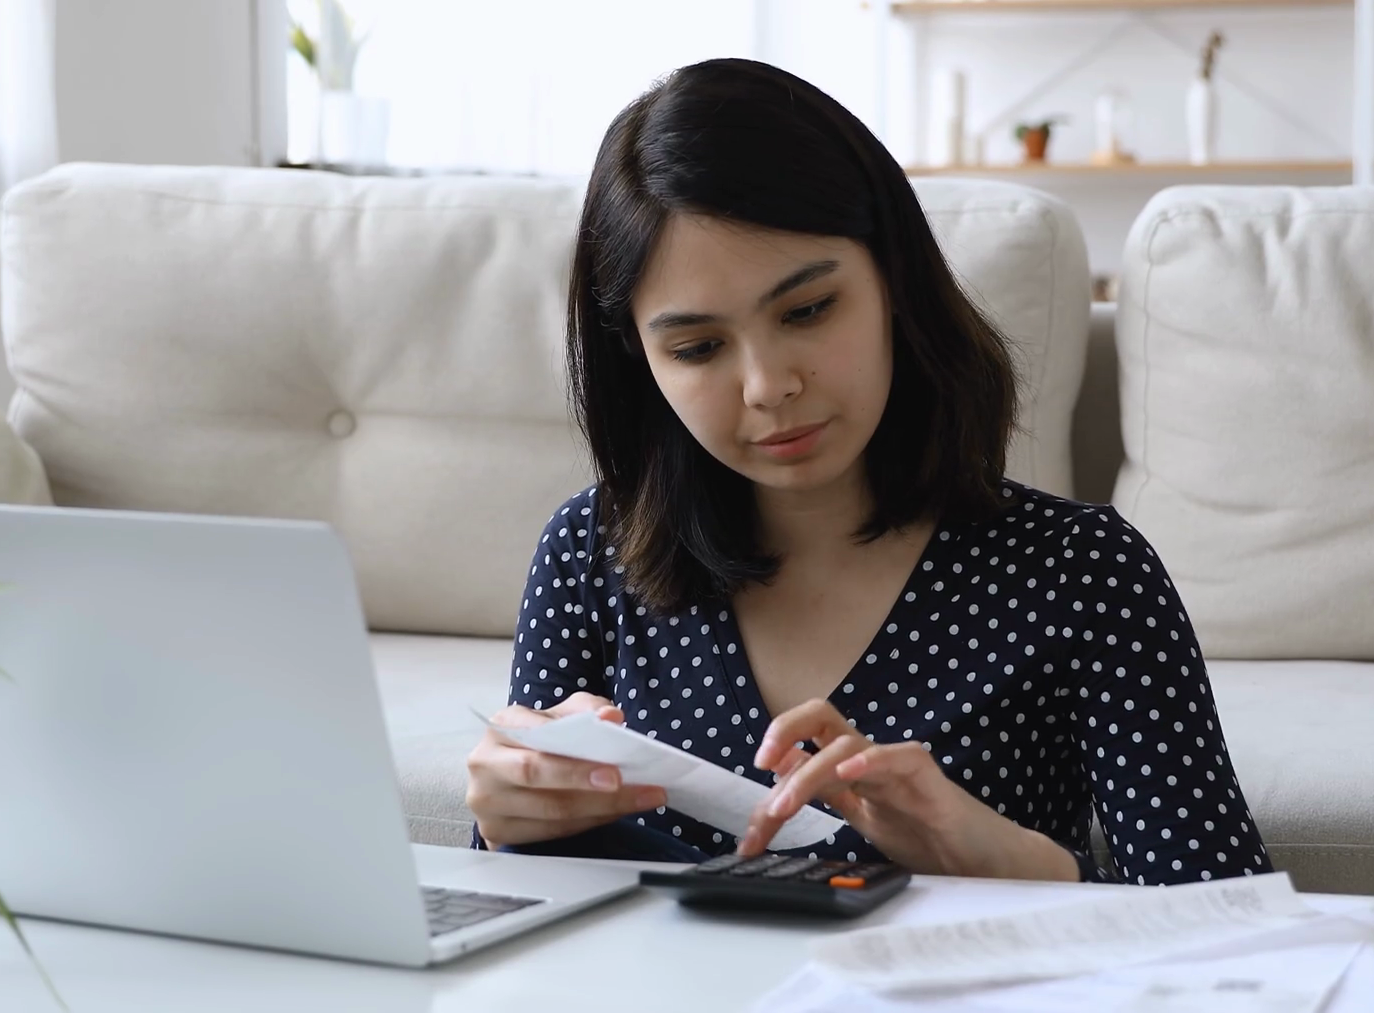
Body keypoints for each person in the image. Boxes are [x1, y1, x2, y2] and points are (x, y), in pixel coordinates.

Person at [464, 58, 1272, 885]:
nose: (768, 385)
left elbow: (1229, 921)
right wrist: (508, 826)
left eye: (809, 310)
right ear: (640, 360)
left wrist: (1007, 858)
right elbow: (520, 911)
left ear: (894, 279)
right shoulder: (591, 553)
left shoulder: (1083, 571)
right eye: (698, 348)